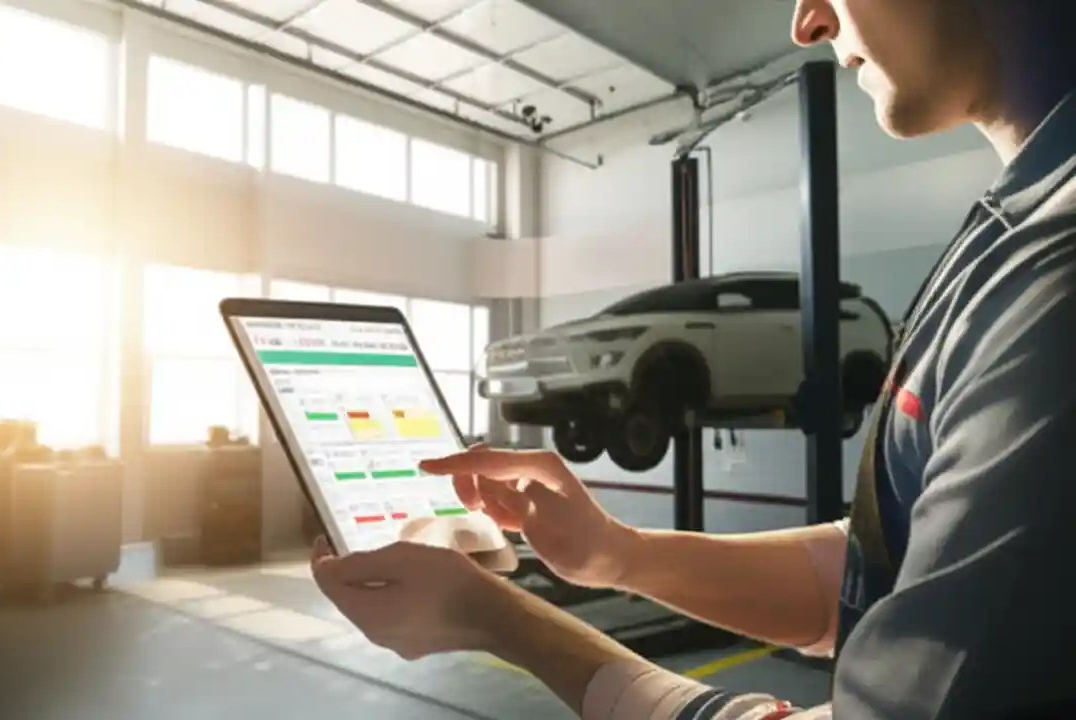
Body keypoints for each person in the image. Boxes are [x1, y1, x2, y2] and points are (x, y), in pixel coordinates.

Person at [311, 0, 1076, 717]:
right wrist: (618, 554)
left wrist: (505, 622)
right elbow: (883, 565)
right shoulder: (1014, 231)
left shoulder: (1056, 284)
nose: (806, 22)